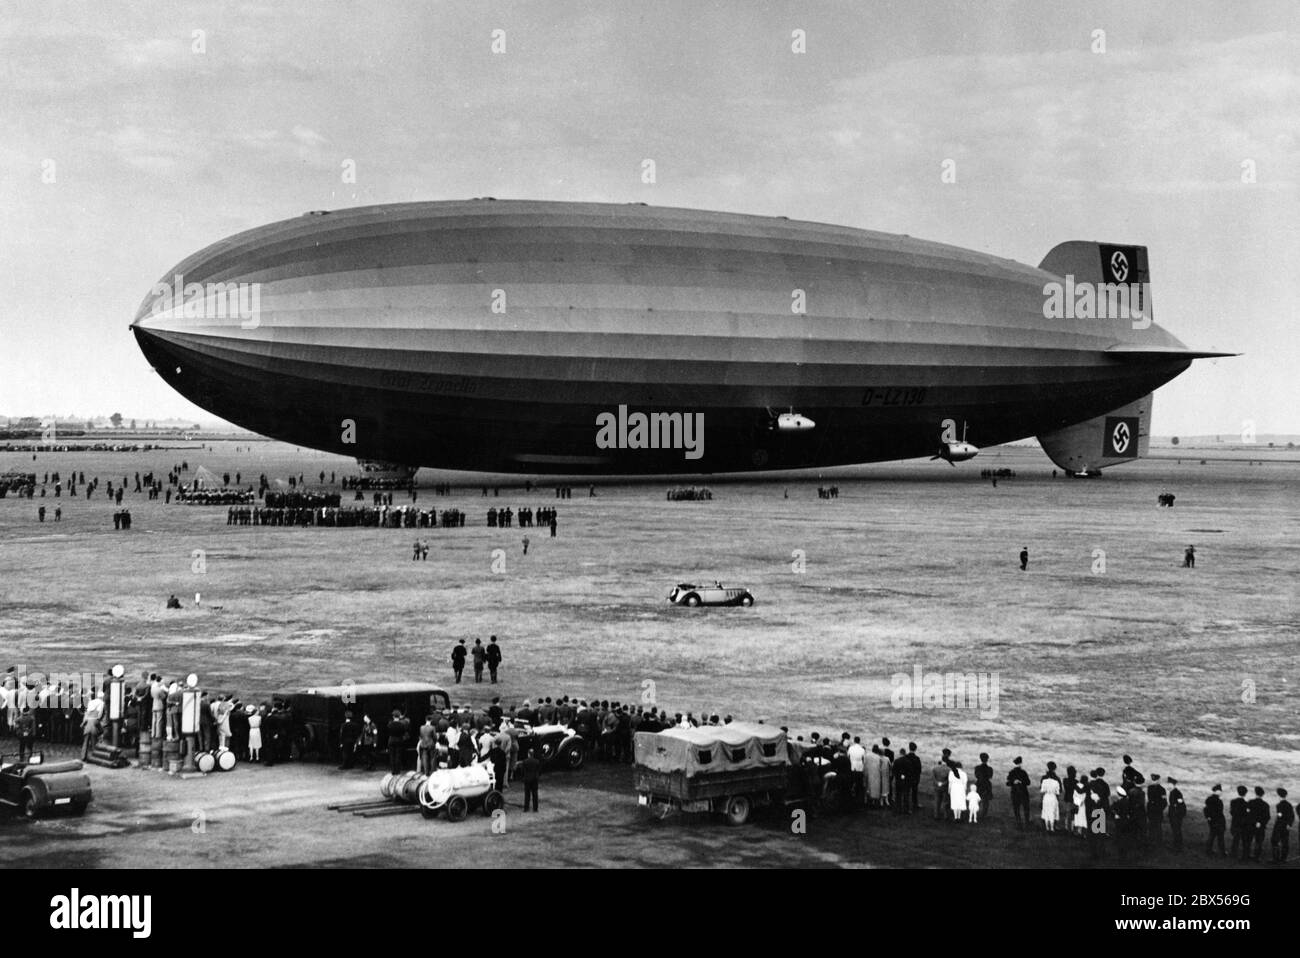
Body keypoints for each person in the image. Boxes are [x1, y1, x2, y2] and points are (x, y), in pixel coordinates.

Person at [1247, 786, 1271, 861]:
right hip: (1261, 826)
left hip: (1251, 825)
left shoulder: (1250, 802)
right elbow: (1267, 817)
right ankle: (1256, 857)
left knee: (1248, 840)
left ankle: (1246, 855)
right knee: (1259, 842)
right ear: (1262, 795)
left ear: (1255, 793)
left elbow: (1248, 814)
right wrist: (1260, 823)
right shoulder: (1266, 805)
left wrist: (1253, 822)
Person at [1007, 756, 1031, 829]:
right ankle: (1027, 823)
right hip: (1023, 792)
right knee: (1026, 808)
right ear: (1021, 763)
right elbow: (1028, 782)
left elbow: (1008, 783)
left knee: (1016, 809)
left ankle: (1018, 823)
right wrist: (1021, 782)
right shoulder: (1023, 772)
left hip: (1015, 793)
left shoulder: (1011, 772)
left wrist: (1014, 782)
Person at [1204, 784, 1227, 857]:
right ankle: (1222, 852)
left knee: (1212, 835)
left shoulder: (1208, 799)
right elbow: (1220, 812)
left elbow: (1206, 809)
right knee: (1220, 837)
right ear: (1216, 791)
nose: (1221, 792)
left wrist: (1208, 817)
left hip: (1212, 821)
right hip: (1219, 821)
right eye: (1220, 791)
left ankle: (1208, 850)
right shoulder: (1219, 801)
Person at [1272, 788, 1294, 864]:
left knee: (1275, 841)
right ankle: (1283, 859)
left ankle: (1276, 859)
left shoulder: (1279, 805)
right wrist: (1289, 824)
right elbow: (1292, 816)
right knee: (1285, 842)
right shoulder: (1289, 805)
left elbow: (1279, 816)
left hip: (1279, 825)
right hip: (1285, 826)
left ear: (1279, 795)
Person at [1228, 785, 1249, 859]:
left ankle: (1233, 854)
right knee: (1244, 840)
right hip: (1243, 824)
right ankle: (1244, 855)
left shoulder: (1233, 802)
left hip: (1235, 823)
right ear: (1245, 793)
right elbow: (1247, 815)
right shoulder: (1246, 804)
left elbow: (1231, 812)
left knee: (1235, 840)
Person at [387, 709, 409, 774]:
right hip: (399, 740)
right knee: (398, 756)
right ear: (399, 716)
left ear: (393, 716)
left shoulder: (389, 724)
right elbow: (403, 733)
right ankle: (397, 771)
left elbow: (388, 732)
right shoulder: (402, 725)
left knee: (392, 756)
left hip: (391, 740)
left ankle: (393, 771)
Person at [1167, 778, 1186, 852]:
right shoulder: (1172, 792)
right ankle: (1176, 845)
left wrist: (1180, 815)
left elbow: (1181, 805)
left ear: (1173, 785)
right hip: (1173, 814)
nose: (1168, 786)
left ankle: (1178, 846)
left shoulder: (1177, 793)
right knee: (1175, 830)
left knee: (1177, 830)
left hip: (1176, 815)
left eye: (1170, 785)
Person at [520, 748, 541, 812]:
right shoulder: (537, 761)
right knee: (535, 794)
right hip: (534, 779)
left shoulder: (525, 761)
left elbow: (522, 771)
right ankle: (535, 808)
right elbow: (539, 771)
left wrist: (523, 777)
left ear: (528, 754)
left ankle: (526, 808)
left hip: (527, 779)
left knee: (527, 795)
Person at [932, 754, 950, 820]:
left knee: (937, 801)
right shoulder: (949, 769)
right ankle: (946, 815)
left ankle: (936, 815)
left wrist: (937, 783)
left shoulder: (935, 768)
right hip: (945, 787)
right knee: (945, 801)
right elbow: (949, 780)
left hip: (937, 786)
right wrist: (943, 783)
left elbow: (933, 778)